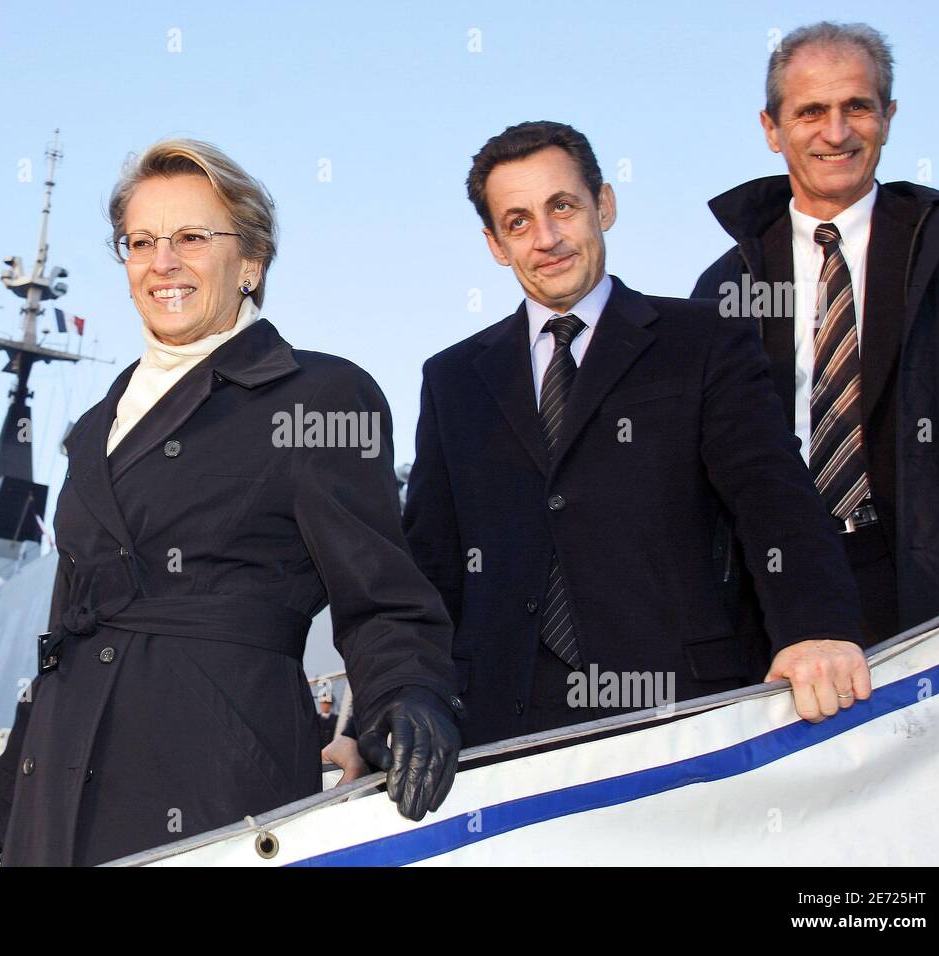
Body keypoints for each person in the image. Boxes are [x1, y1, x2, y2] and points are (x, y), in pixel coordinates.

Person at [0, 139, 460, 866]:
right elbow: (68, 638)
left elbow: (380, 594)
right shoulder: (96, 428)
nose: (164, 262)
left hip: (219, 787)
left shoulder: (317, 396)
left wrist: (410, 693)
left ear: (251, 261)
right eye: (142, 241)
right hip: (54, 801)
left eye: (191, 237)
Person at [360, 119, 871, 755]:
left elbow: (773, 500)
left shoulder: (703, 340)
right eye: (517, 222)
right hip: (500, 726)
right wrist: (381, 712)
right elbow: (432, 565)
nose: (546, 238)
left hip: (678, 708)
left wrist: (815, 630)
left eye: (562, 206)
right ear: (494, 243)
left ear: (604, 204)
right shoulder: (454, 378)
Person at [693, 22, 939, 642]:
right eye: (811, 111)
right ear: (771, 129)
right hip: (779, 604)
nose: (837, 132)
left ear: (889, 116)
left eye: (858, 107)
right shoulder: (723, 287)